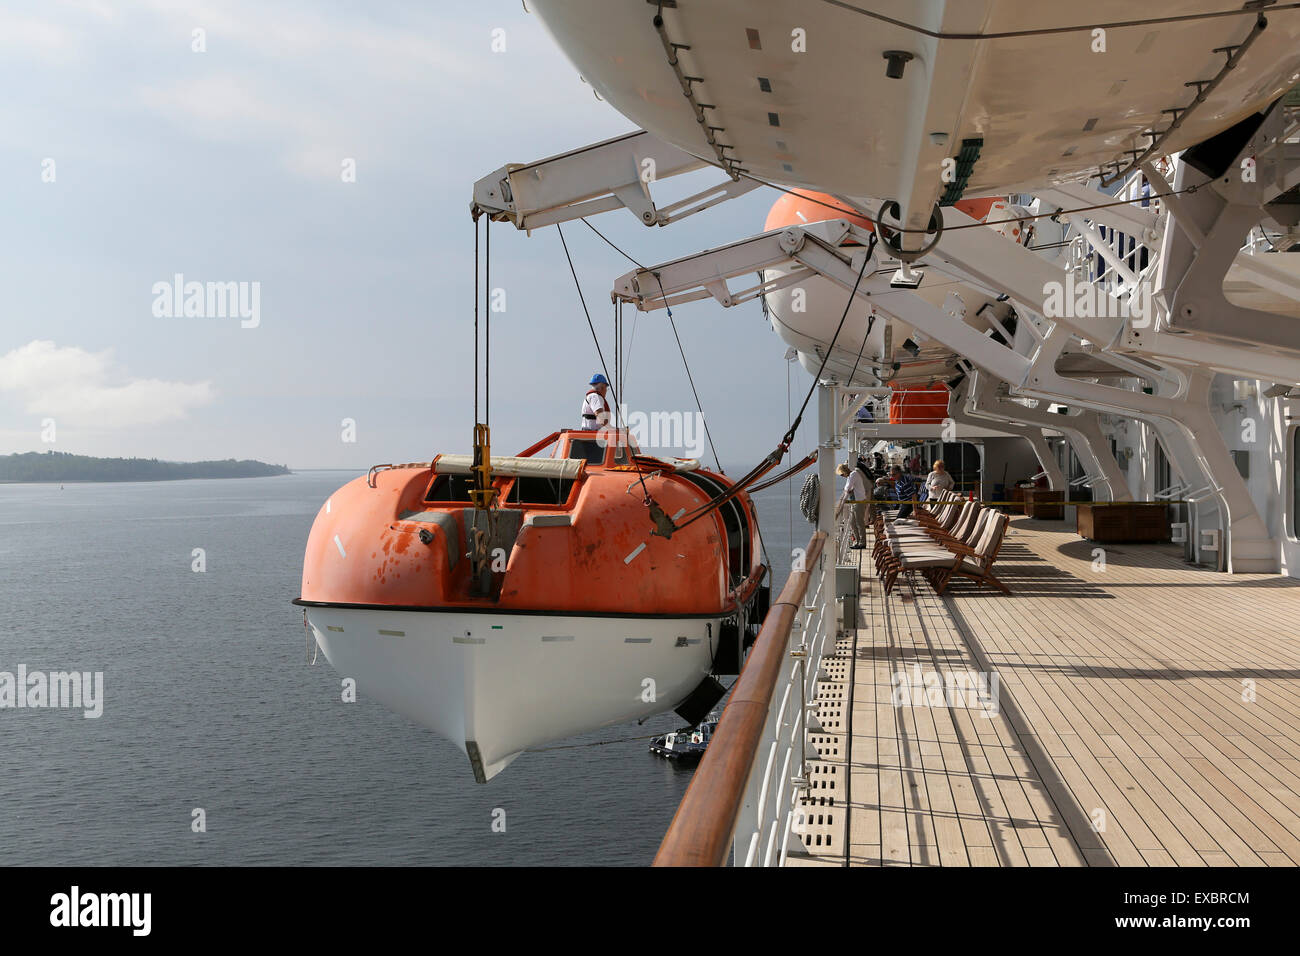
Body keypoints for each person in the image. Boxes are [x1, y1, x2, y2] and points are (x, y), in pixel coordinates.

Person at [836, 462, 869, 549]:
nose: (843, 476)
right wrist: (848, 489)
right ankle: (858, 541)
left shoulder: (853, 474)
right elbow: (848, 488)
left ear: (845, 471)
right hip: (856, 502)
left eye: (842, 474)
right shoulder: (850, 476)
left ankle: (862, 543)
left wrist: (848, 489)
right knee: (852, 523)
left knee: (859, 523)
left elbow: (847, 488)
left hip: (860, 502)